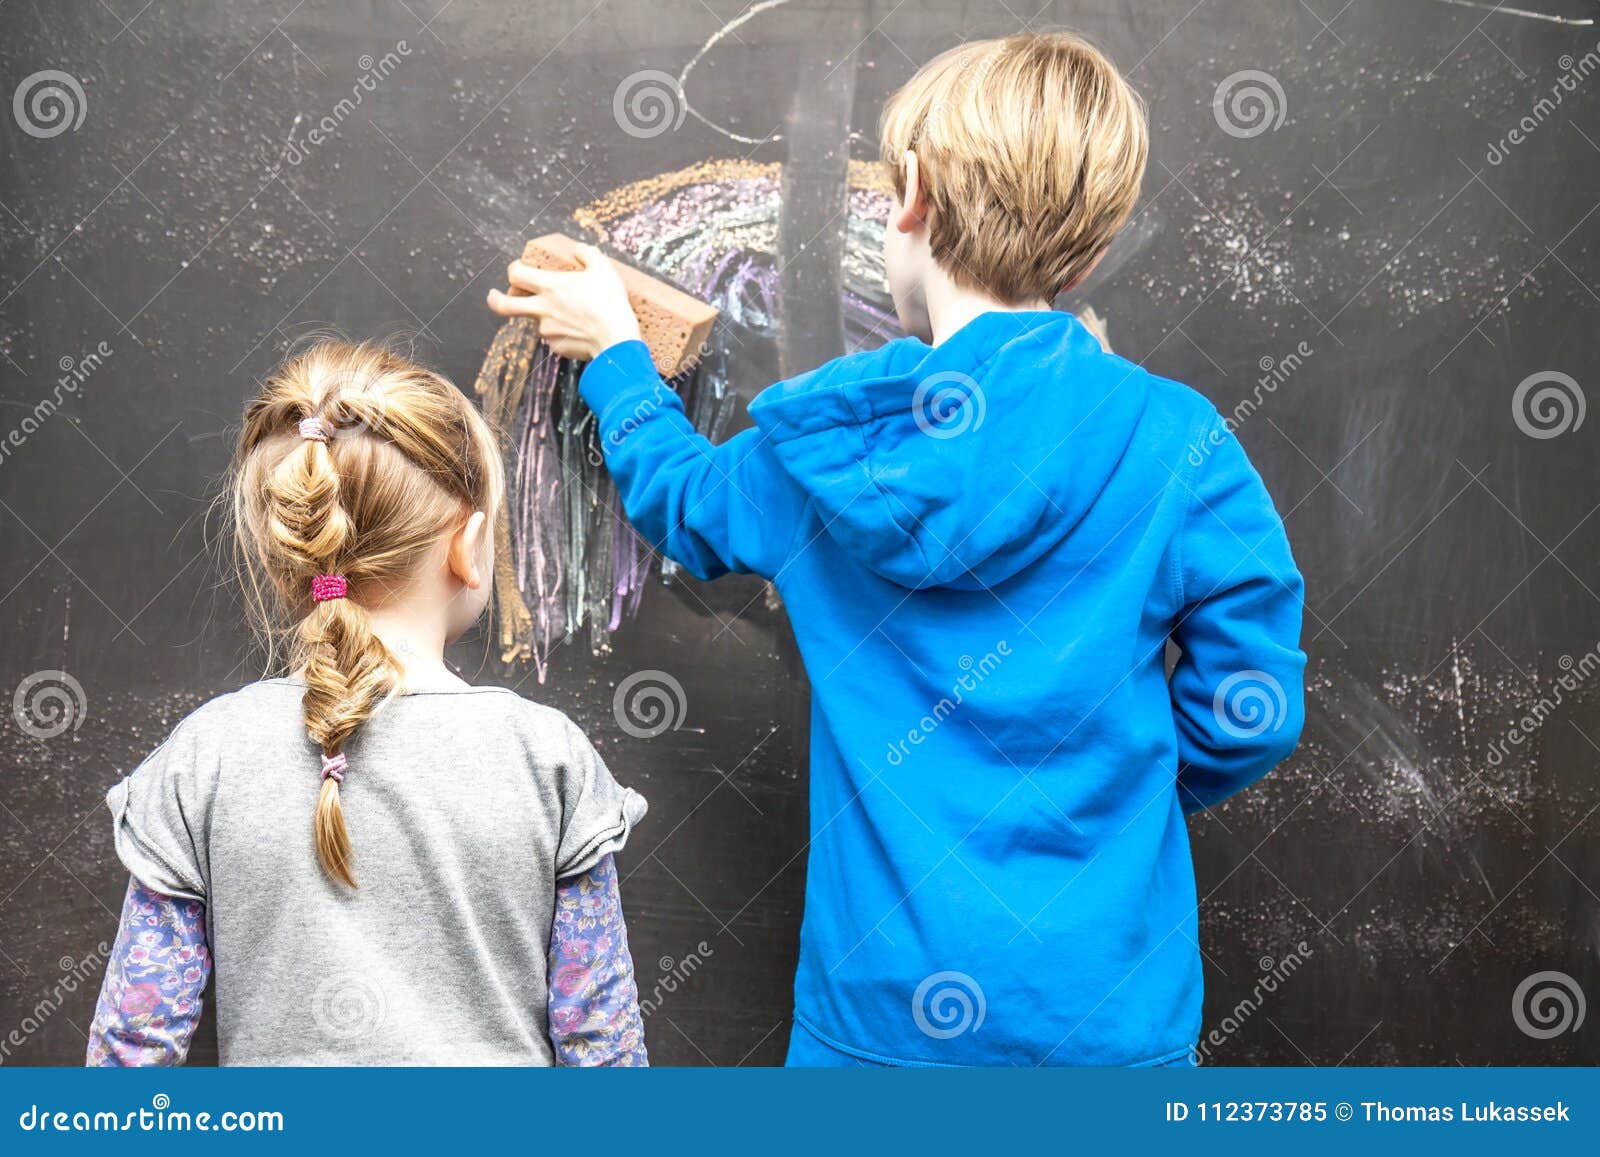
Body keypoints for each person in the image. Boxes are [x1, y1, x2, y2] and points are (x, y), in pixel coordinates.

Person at [488, 29, 1306, 1066]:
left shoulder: (822, 450)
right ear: (1093, 252)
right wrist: (1118, 792)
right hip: (1110, 1026)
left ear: (909, 196)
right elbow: (1256, 709)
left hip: (878, 1030)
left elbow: (682, 499)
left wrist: (614, 355)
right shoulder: (1175, 440)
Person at [87, 340, 647, 1066]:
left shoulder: (205, 756)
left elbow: (132, 1048)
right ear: (471, 547)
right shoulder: (549, 758)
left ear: (285, 547)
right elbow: (603, 1046)